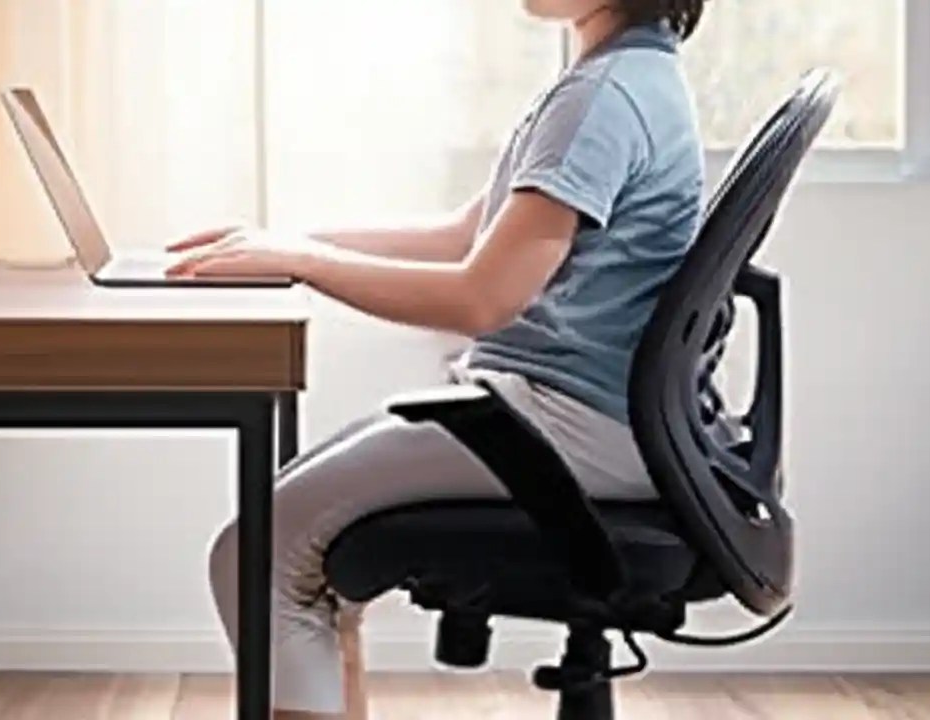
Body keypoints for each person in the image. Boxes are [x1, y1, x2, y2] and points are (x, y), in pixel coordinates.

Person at [168, 1, 707, 718]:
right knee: (298, 560)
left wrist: (302, 261)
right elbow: (467, 236)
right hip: (584, 414)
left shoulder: (603, 99)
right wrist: (289, 242)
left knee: (254, 560)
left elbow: (481, 298)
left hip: (567, 420)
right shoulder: (631, 75)